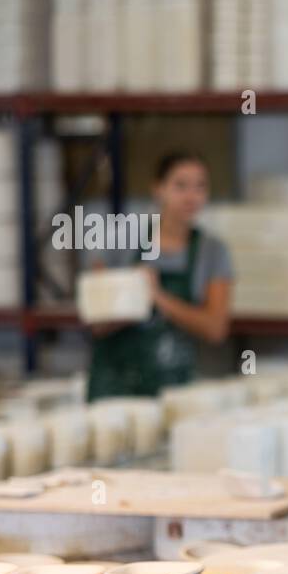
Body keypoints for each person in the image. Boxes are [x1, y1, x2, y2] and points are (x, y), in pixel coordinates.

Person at [86, 151, 234, 400]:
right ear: (158, 189)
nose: (191, 196)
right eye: (180, 186)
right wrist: (132, 293)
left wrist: (160, 298)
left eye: (200, 187)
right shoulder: (123, 240)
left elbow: (215, 329)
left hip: (174, 390)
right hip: (114, 387)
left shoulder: (213, 251)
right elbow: (96, 324)